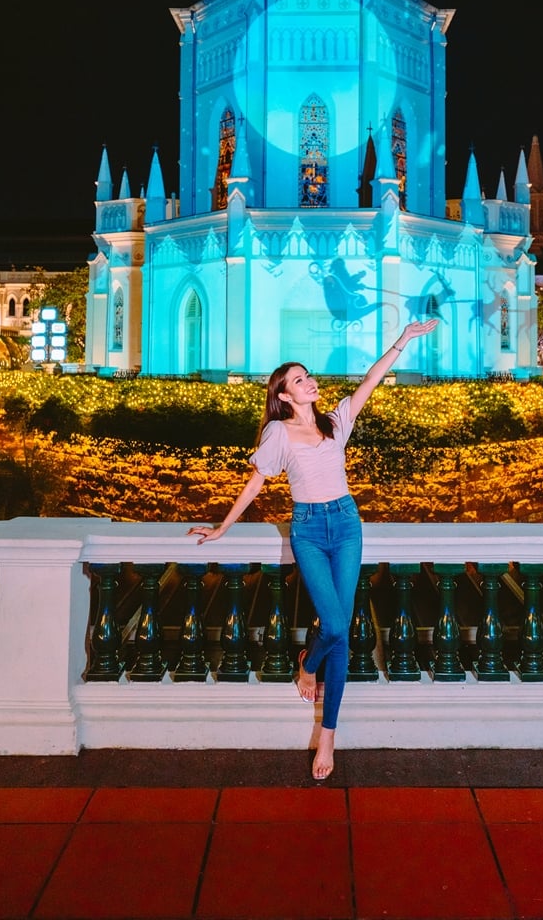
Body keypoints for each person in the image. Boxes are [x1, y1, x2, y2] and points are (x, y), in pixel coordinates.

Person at [188, 318, 439, 781]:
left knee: (339, 630)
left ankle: (327, 731)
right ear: (284, 395)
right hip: (307, 528)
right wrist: (223, 528)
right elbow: (257, 481)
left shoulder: (336, 421)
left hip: (346, 523)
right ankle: (308, 664)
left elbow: (371, 381)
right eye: (299, 380)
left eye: (308, 376)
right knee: (339, 624)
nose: (310, 382)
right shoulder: (278, 434)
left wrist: (402, 340)